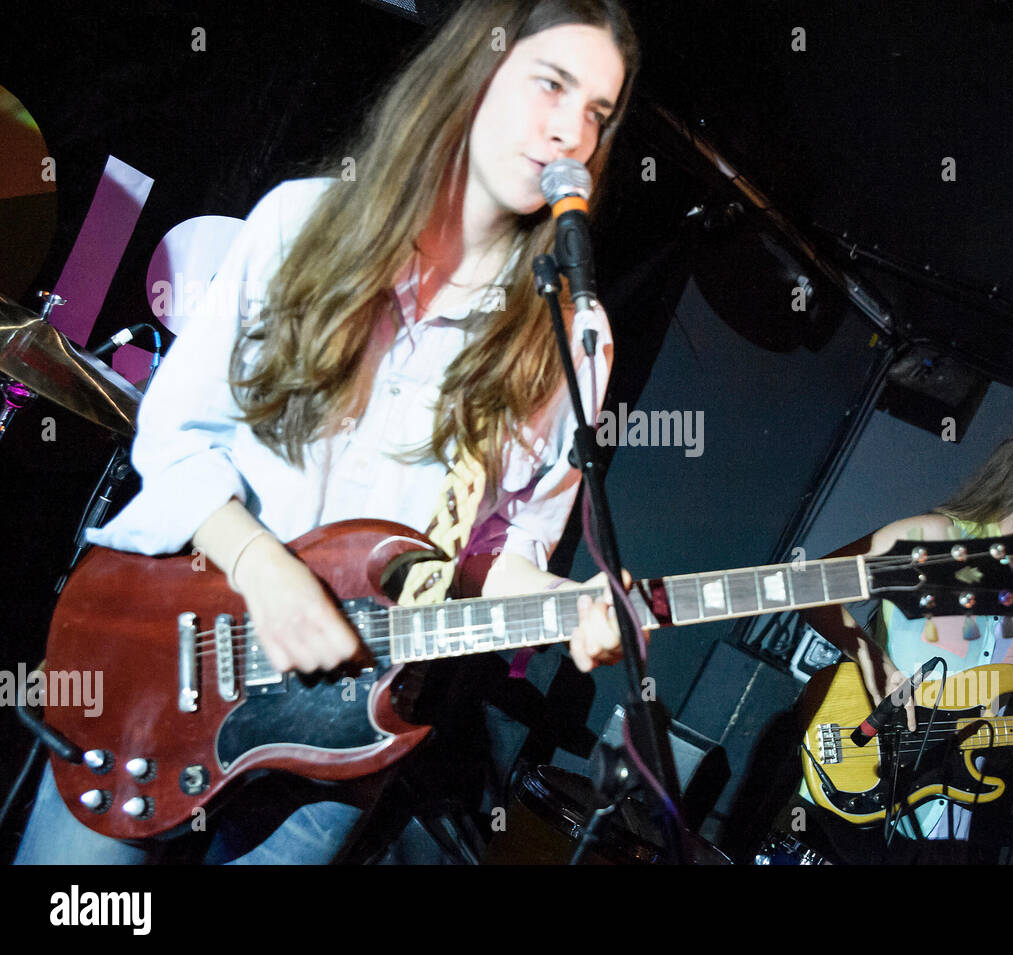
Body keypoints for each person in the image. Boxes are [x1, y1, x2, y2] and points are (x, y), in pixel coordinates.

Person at [15, 0, 640, 864]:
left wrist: (567, 608)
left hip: (342, 747)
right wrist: (261, 565)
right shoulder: (307, 224)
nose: (571, 129)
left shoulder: (572, 341)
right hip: (171, 666)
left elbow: (503, 547)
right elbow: (172, 433)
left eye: (598, 115)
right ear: (479, 69)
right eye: (552, 84)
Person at [798, 424, 1013, 857]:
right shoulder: (936, 537)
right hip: (858, 787)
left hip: (943, 825)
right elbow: (811, 585)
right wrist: (875, 663)